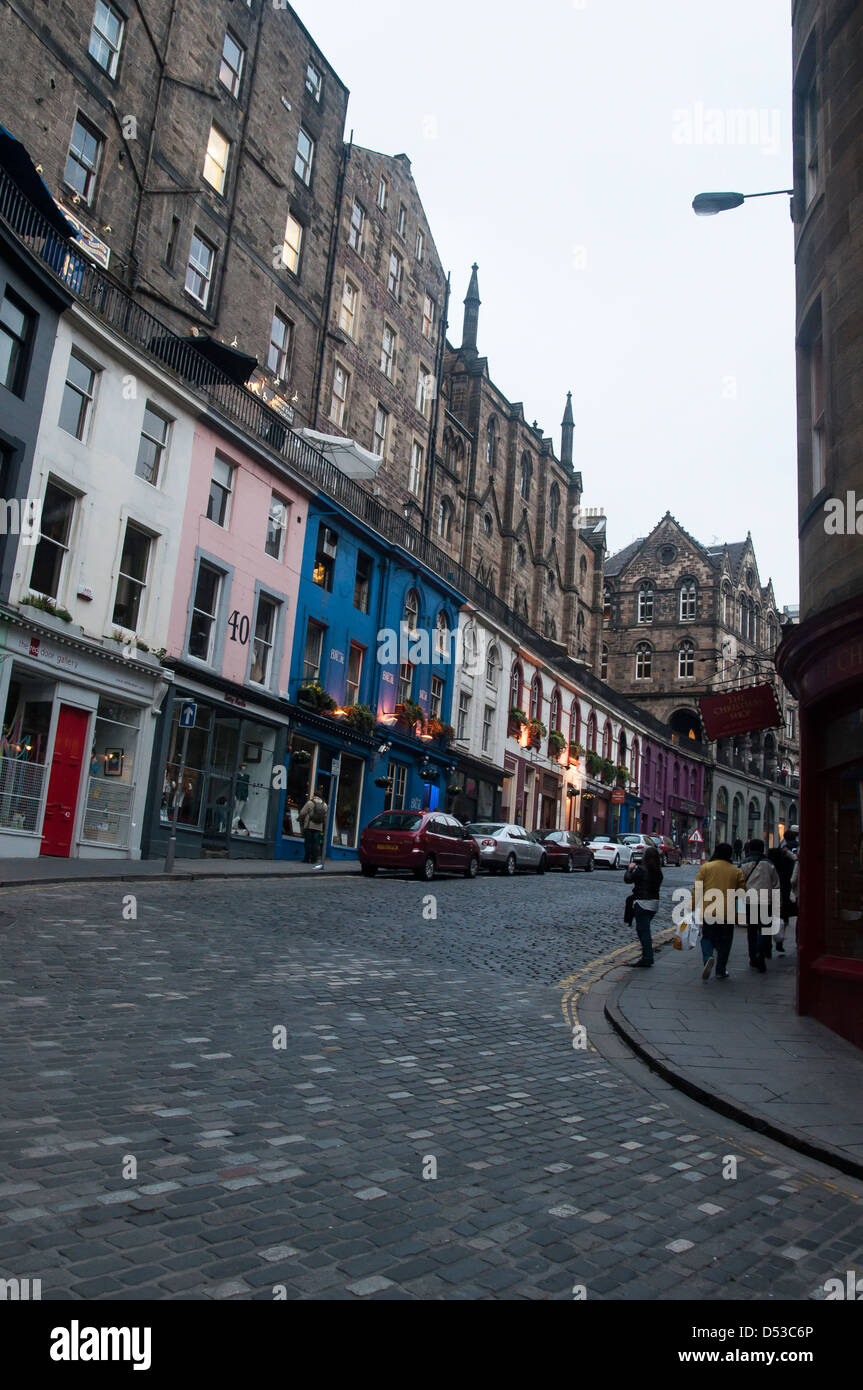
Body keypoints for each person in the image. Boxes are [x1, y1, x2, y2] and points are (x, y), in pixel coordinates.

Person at [692, 843, 746, 981]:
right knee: (725, 942)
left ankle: (707, 958)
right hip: (727, 912)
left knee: (707, 937)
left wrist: (691, 906)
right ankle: (721, 970)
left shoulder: (706, 867)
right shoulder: (736, 871)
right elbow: (742, 892)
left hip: (709, 910)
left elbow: (697, 889)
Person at [741, 838, 780, 972]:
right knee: (765, 928)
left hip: (750, 900)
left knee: (752, 929)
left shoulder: (744, 863)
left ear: (750, 848)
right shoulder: (769, 863)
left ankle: (753, 957)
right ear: (763, 848)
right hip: (766, 900)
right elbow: (776, 884)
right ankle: (761, 953)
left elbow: (739, 881)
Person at [623, 845, 663, 967]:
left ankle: (647, 957)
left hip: (642, 903)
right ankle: (646, 955)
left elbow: (628, 879)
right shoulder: (658, 872)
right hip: (654, 904)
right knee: (644, 930)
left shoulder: (641, 869)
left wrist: (630, 869)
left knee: (643, 932)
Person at [767, 845, 796, 953]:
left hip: (768, 897)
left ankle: (767, 946)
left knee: (766, 922)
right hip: (782, 898)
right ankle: (779, 941)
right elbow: (796, 860)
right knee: (780, 921)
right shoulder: (786, 866)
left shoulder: (767, 866)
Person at [299, 786, 328, 869]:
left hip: (309, 825)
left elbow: (302, 813)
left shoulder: (310, 803)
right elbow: (325, 817)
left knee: (308, 842)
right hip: (319, 827)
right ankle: (314, 859)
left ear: (314, 795)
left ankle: (307, 858)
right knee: (315, 843)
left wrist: (300, 819)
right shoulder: (325, 805)